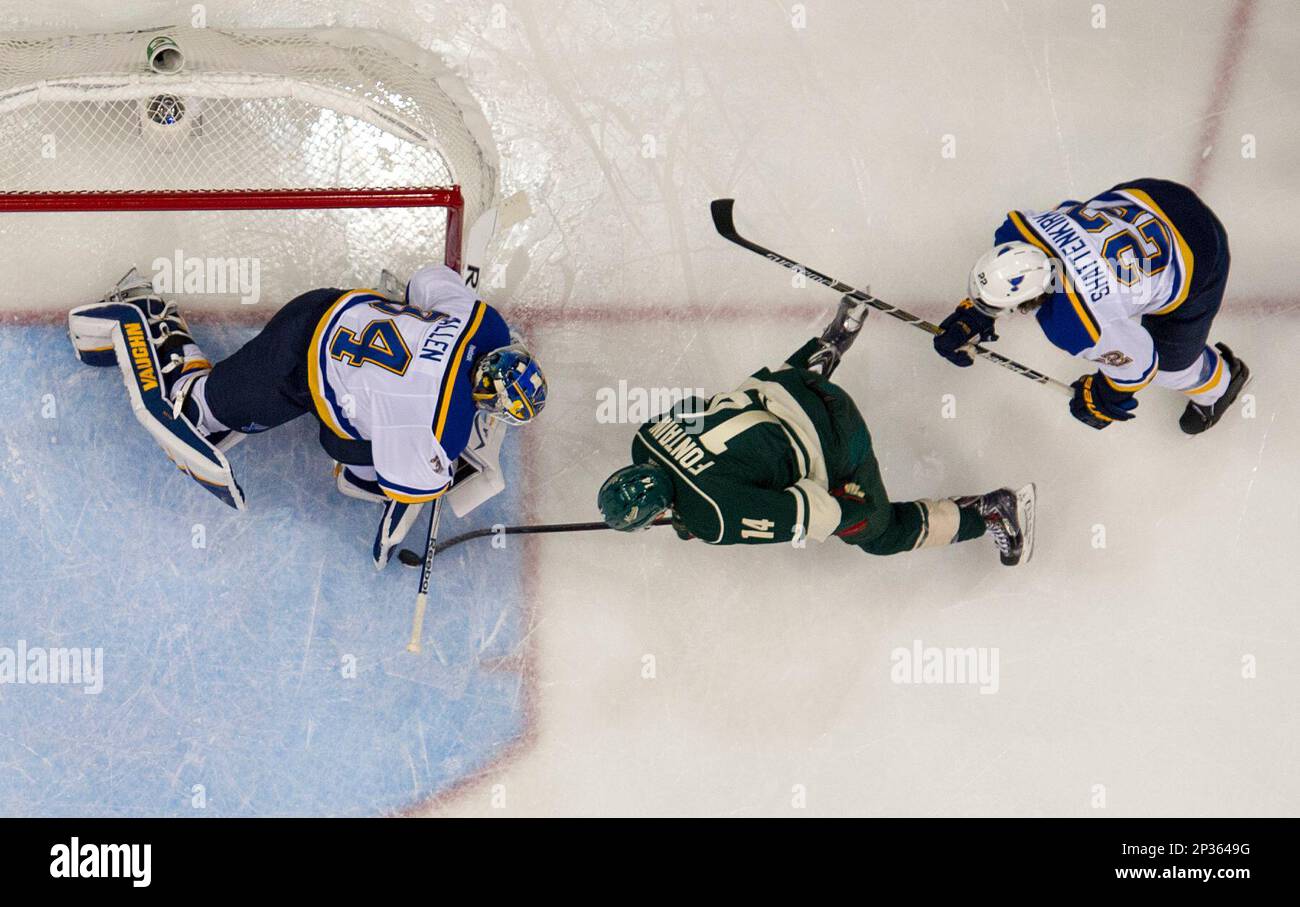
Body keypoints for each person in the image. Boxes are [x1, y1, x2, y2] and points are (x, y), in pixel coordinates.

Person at [68, 263, 546, 566]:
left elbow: (427, 278)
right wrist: (439, 476)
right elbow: (397, 486)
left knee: (356, 417)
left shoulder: (483, 321)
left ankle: (249, 403)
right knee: (198, 414)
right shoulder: (443, 425)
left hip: (325, 307)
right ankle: (140, 310)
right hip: (297, 367)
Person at [598, 297, 1036, 566]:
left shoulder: (715, 517)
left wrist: (698, 515)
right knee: (746, 404)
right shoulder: (646, 437)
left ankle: (988, 512)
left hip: (838, 435)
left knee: (879, 533)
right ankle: (821, 353)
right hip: (785, 388)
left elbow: (813, 512)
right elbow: (705, 412)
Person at [932, 178, 1248, 434]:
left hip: (1200, 252)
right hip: (1153, 198)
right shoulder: (1017, 230)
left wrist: (1106, 395)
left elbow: (1139, 364)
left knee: (1168, 366)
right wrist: (976, 310)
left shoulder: (1077, 325)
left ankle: (1220, 383)